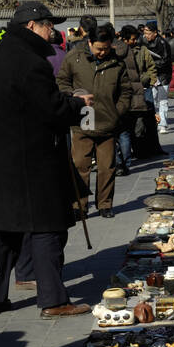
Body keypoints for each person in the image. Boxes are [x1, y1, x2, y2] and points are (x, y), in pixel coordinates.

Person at [0, 0, 93, 317]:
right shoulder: (30, 61)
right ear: (31, 26)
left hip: (1, 155)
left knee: (3, 230)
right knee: (47, 227)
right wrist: (77, 104)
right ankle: (54, 300)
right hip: (34, 158)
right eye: (47, 24)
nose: (52, 31)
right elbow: (50, 110)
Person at [58, 23, 130, 219]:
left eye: (106, 48)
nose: (102, 52)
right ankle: (78, 206)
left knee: (107, 167)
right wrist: (73, 98)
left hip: (108, 121)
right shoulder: (75, 58)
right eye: (99, 48)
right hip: (83, 119)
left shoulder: (117, 63)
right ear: (89, 43)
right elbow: (62, 81)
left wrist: (118, 111)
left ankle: (105, 204)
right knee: (80, 166)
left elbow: (126, 91)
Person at [114, 25, 155, 177]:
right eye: (132, 39)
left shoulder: (115, 52)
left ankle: (119, 163)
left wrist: (146, 80)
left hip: (121, 95)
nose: (135, 41)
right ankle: (125, 163)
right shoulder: (129, 52)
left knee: (120, 132)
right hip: (131, 94)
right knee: (125, 132)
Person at [142, 23, 174, 128]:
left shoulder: (163, 43)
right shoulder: (143, 41)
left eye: (148, 33)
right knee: (152, 98)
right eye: (145, 33)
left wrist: (152, 64)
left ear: (155, 33)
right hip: (150, 74)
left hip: (163, 74)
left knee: (163, 100)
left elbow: (165, 60)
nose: (146, 35)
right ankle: (154, 122)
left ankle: (163, 124)